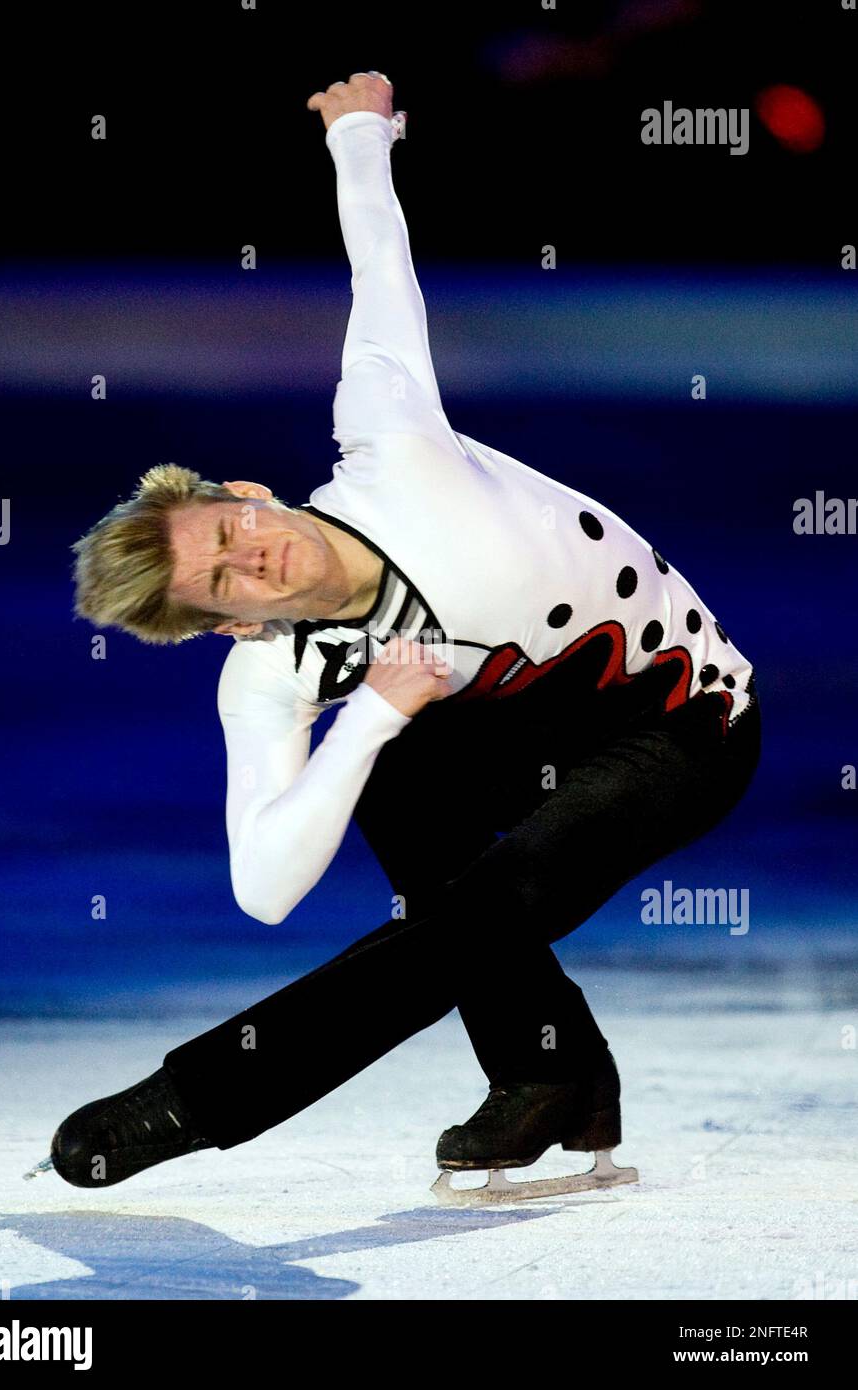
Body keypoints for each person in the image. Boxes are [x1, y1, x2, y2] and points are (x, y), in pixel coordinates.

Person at [46, 72, 760, 1196]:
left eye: (233, 525)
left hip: (679, 718)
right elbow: (263, 885)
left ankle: (197, 1097)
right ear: (231, 623)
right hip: (516, 721)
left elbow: (379, 263)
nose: (256, 554)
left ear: (247, 488)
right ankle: (550, 1071)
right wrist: (365, 720)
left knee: (486, 902)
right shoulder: (267, 674)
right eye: (227, 579)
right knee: (383, 772)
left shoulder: (387, 437)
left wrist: (358, 130)